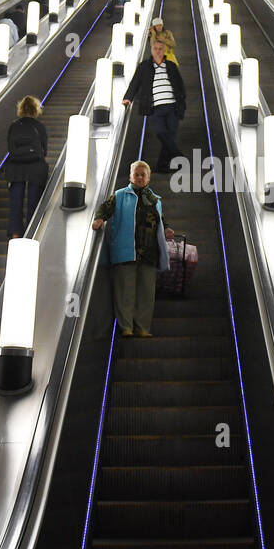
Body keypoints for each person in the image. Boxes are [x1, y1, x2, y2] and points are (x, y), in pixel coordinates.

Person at [91, 160, 174, 337]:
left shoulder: (155, 200)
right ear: (130, 176)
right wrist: (99, 219)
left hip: (149, 252)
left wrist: (167, 229)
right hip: (126, 250)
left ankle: (143, 327)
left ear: (149, 178)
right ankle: (126, 326)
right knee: (125, 290)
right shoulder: (120, 195)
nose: (140, 177)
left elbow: (161, 220)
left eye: (143, 174)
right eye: (136, 174)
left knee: (146, 291)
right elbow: (105, 208)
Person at [123, 39, 186, 173]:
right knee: (162, 133)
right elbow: (135, 82)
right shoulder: (144, 66)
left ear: (164, 51)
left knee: (170, 135)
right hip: (155, 107)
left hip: (173, 107)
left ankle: (161, 166)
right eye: (155, 48)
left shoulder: (171, 65)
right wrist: (128, 98)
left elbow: (180, 84)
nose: (158, 51)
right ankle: (178, 156)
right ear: (151, 50)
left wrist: (182, 100)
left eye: (160, 49)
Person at [5, 95, 48, 238]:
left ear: (21, 109)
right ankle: (31, 233)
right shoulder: (40, 127)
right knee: (33, 202)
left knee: (15, 202)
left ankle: (15, 234)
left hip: (15, 169)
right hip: (36, 169)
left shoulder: (14, 126)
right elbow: (44, 151)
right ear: (36, 109)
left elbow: (10, 149)